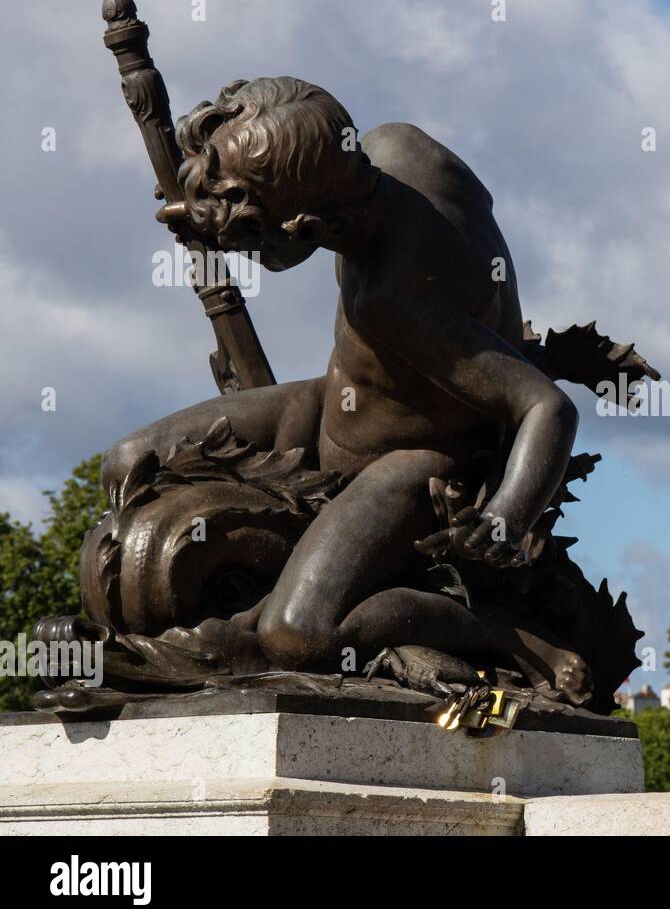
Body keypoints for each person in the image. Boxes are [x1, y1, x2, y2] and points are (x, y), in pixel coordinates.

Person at [100, 77, 591, 702]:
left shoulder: (398, 299)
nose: (246, 254)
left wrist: (502, 523)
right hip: (325, 402)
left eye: (254, 238)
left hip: (418, 463)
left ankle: (497, 633)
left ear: (306, 224)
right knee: (129, 461)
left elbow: (547, 405)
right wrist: (208, 209)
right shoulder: (391, 148)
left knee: (296, 634)